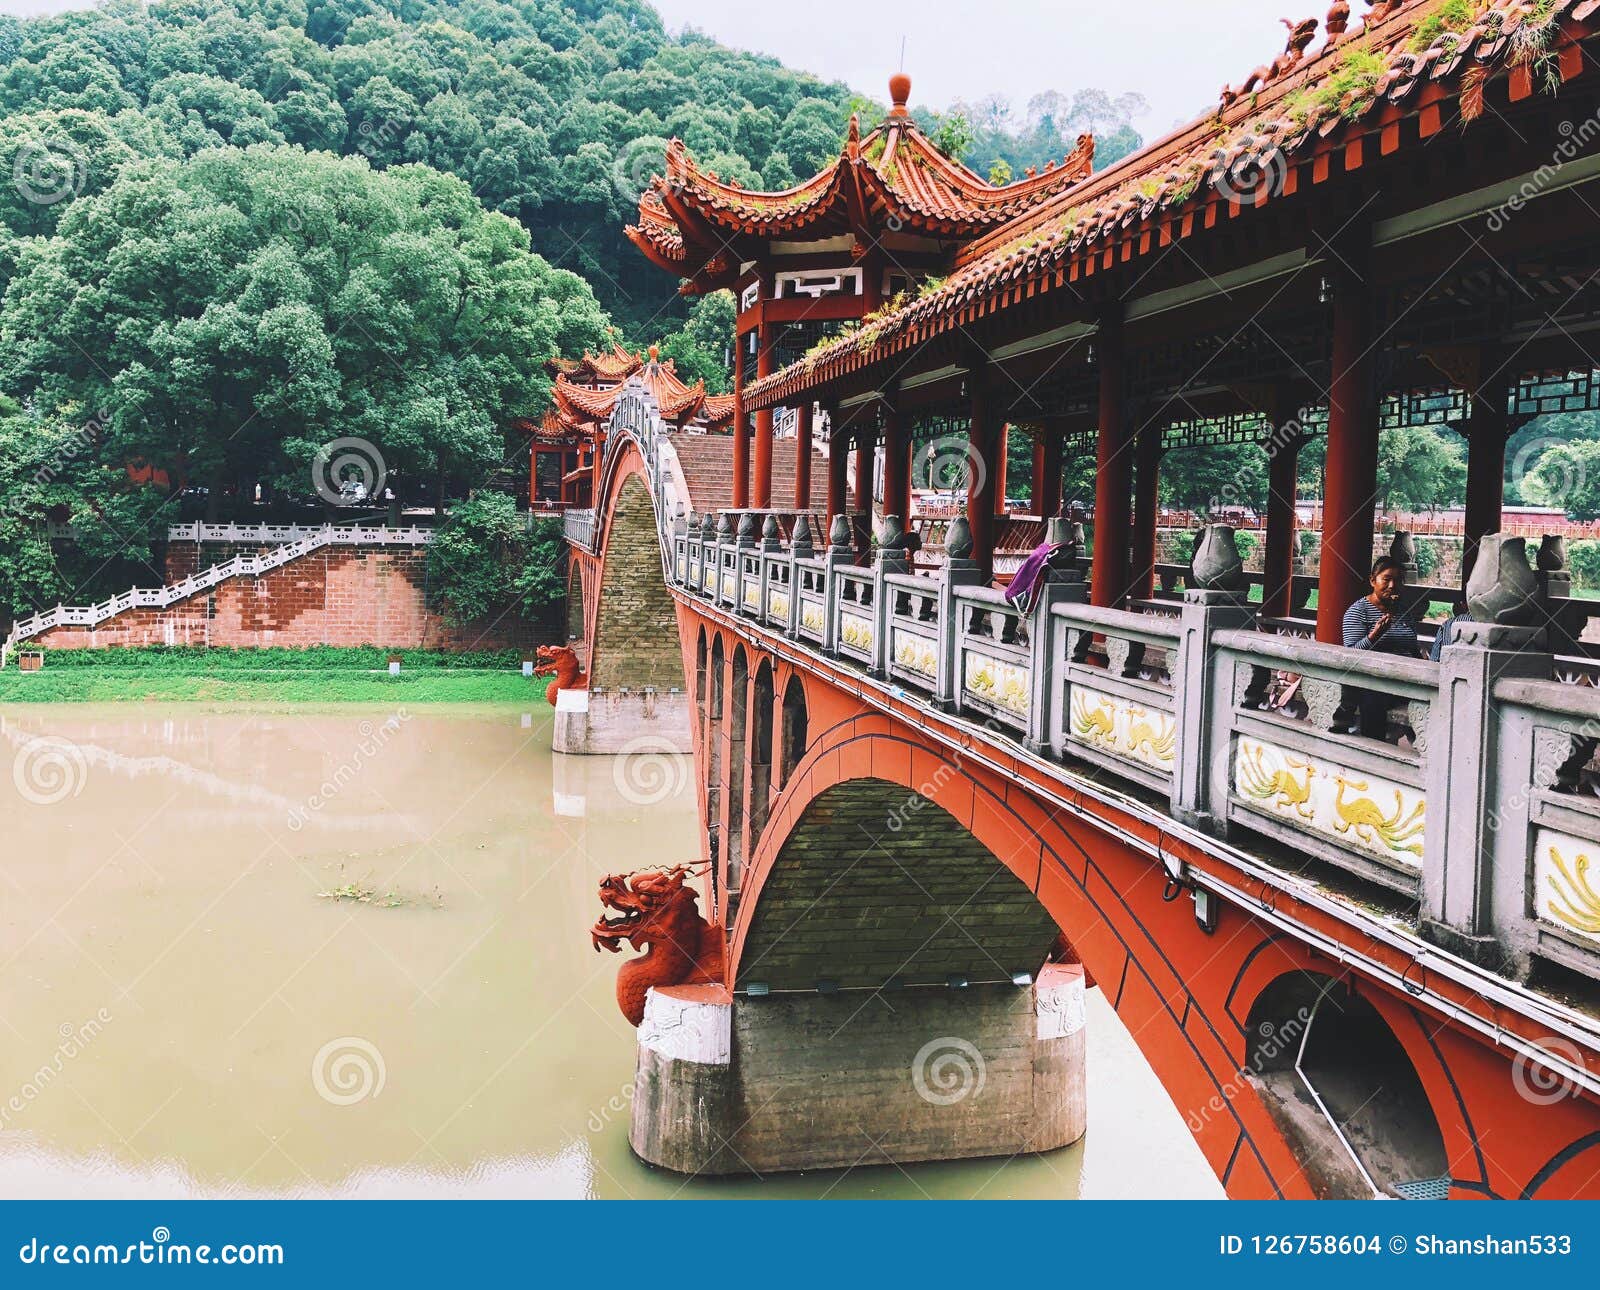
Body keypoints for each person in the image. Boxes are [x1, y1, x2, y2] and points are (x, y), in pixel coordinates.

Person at [1339, 557, 1420, 737]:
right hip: (1372, 681)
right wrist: (1374, 636)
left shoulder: (1404, 611)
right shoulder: (1358, 611)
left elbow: (1412, 647)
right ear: (1372, 580)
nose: (1392, 585)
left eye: (1398, 580)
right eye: (1387, 579)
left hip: (1405, 678)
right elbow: (1351, 655)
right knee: (1373, 700)